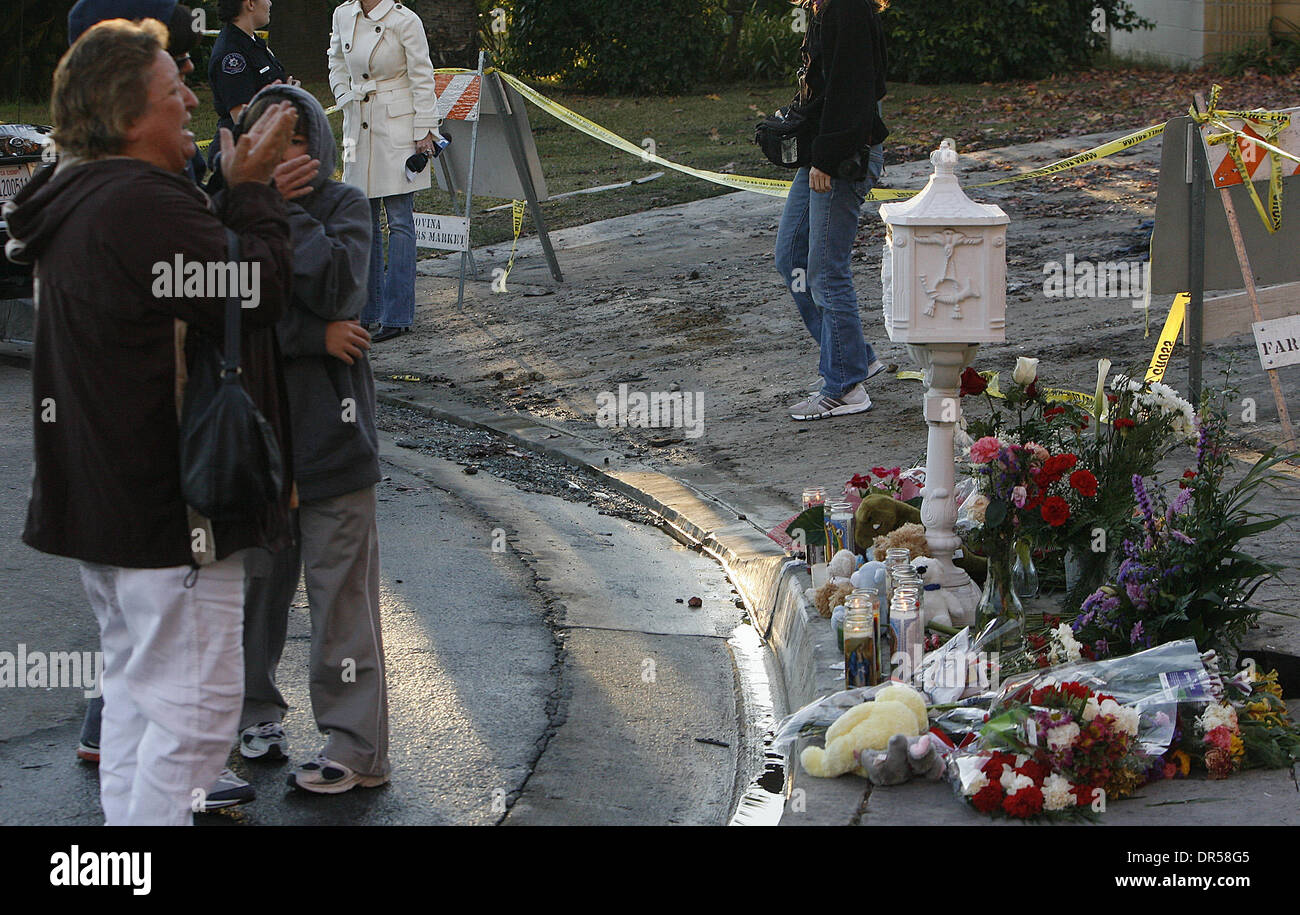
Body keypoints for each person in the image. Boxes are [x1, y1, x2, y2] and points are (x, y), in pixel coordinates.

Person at [6, 17, 297, 825]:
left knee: (140, 705)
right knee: (195, 721)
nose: (194, 99)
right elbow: (257, 290)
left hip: (111, 517)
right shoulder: (136, 203)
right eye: (175, 92)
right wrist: (253, 189)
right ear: (132, 118)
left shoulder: (80, 193)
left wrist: (226, 196)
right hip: (170, 519)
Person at [232, 84, 391, 794]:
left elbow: (341, 296)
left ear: (317, 147)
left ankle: (356, 744)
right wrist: (309, 338)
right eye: (267, 137)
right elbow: (231, 315)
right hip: (258, 440)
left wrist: (287, 209)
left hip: (333, 439)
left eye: (294, 139)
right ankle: (254, 708)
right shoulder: (231, 208)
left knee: (340, 597)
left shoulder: (343, 206)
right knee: (255, 588)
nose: (282, 152)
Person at [775, 0, 890, 421]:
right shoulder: (830, 8)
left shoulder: (848, 8)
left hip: (843, 158)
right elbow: (827, 86)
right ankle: (853, 358)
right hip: (823, 154)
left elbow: (854, 91)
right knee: (791, 258)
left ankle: (845, 386)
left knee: (825, 269)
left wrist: (826, 156)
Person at [328, 0, 443, 342]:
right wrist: (343, 94)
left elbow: (423, 76)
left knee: (400, 222)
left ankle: (398, 315)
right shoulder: (342, 14)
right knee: (363, 222)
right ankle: (366, 311)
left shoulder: (406, 20)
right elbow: (335, 61)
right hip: (357, 125)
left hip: (397, 126)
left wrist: (424, 130)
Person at [208, 0, 290, 168]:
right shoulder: (231, 54)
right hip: (245, 159)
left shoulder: (253, 44)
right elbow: (242, 117)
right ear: (250, 4)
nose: (270, 3)